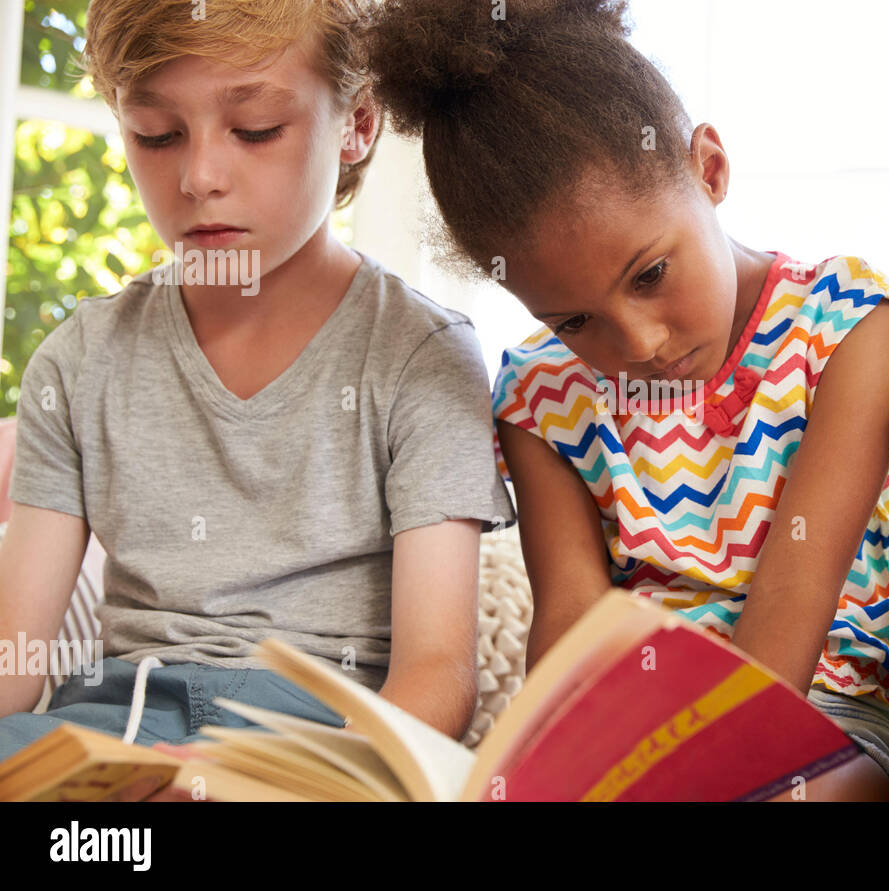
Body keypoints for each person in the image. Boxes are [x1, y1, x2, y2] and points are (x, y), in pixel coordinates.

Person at [364, 0, 889, 800]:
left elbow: (795, 603)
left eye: (651, 274)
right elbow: (571, 622)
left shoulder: (850, 325)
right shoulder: (541, 392)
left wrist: (695, 769)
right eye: (575, 319)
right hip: (631, 735)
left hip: (823, 712)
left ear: (710, 168)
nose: (639, 344)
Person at [0, 0, 515, 763]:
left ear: (359, 123)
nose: (199, 177)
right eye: (157, 134)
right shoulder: (79, 362)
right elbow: (14, 664)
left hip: (323, 748)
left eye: (256, 130)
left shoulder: (424, 356)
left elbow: (437, 676)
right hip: (109, 731)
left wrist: (261, 777)